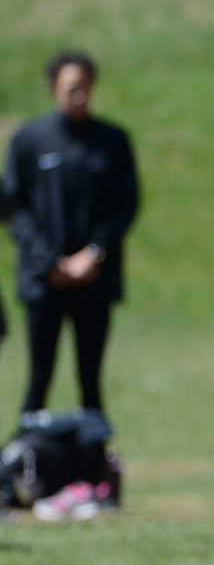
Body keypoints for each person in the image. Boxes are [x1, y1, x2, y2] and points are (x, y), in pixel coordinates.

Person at [3, 50, 139, 417]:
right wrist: (49, 261)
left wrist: (94, 253)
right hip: (45, 280)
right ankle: (27, 464)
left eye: (85, 89)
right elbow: (13, 207)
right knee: (39, 376)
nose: (79, 97)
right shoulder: (29, 140)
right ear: (52, 88)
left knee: (91, 379)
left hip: (94, 279)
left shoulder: (112, 141)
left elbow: (124, 206)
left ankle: (94, 466)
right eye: (70, 89)